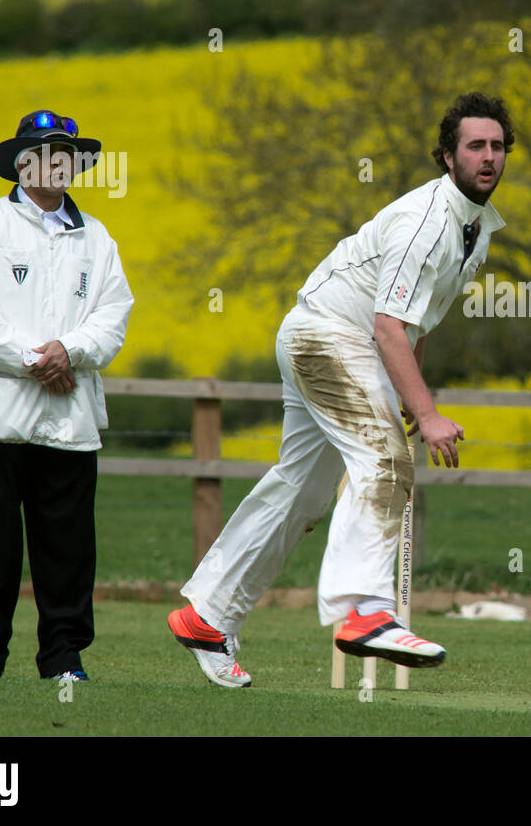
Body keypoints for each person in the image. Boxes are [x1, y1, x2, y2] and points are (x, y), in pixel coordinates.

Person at [168, 91, 511, 687]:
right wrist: (426, 415)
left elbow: (412, 320)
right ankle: (365, 612)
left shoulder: (473, 228)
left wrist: (411, 396)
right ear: (447, 157)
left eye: (497, 146)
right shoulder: (426, 221)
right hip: (329, 337)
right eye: (474, 145)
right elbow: (385, 326)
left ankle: (207, 614)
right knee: (383, 458)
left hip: (331, 339)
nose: (488, 156)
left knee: (301, 490)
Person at [0, 110, 134, 681]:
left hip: (69, 418)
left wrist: (69, 352)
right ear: (21, 164)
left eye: (66, 155)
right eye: (43, 154)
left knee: (68, 549)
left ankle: (63, 658)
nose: (56, 163)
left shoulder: (97, 238)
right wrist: (38, 358)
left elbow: (114, 314)